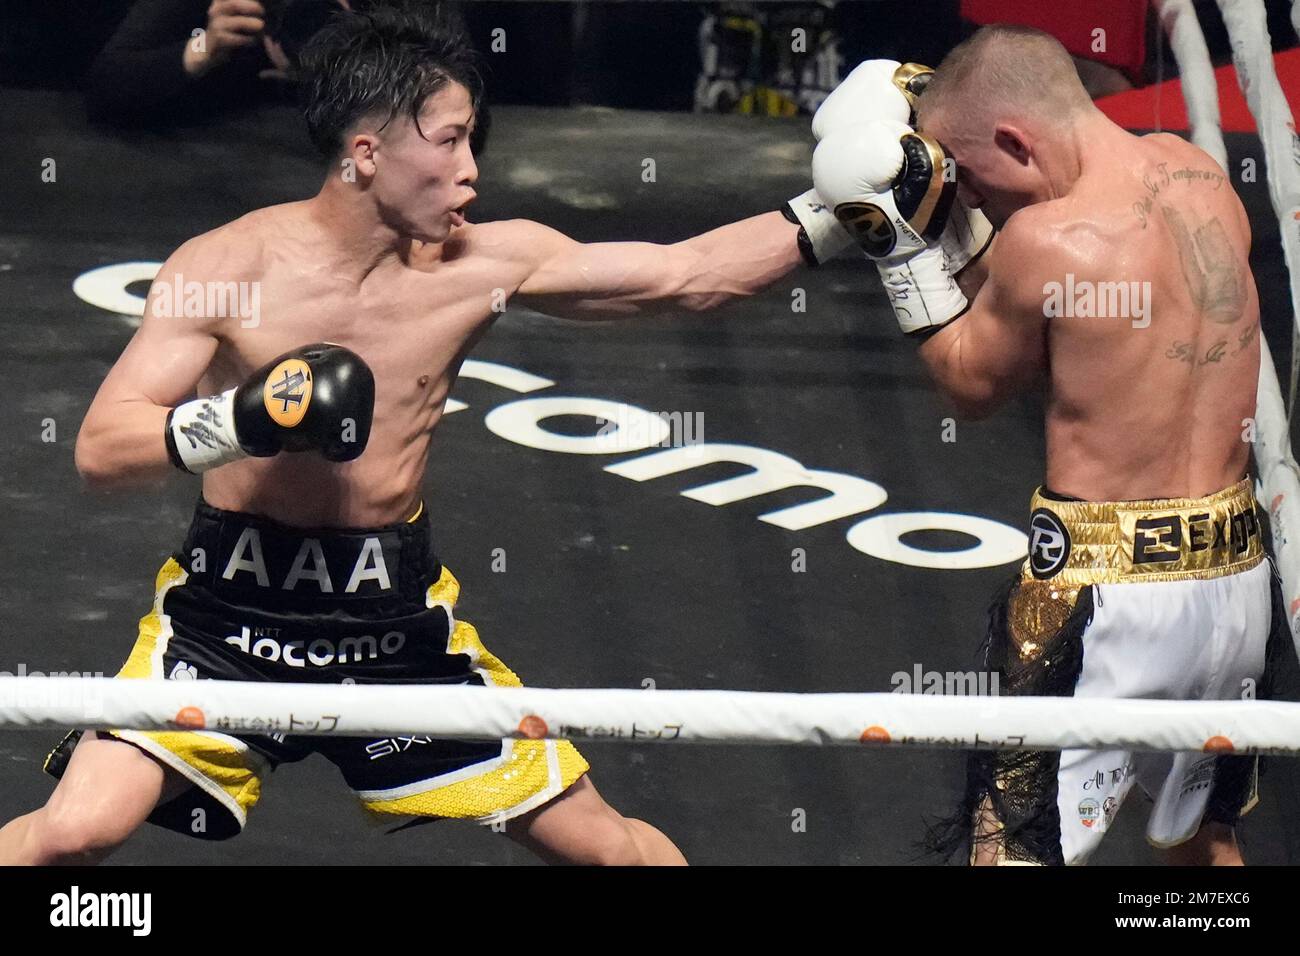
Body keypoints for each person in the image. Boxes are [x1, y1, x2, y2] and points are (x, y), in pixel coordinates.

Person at [0, 4, 871, 866]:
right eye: (449, 141)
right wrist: (245, 419)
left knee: (612, 854)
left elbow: (691, 276)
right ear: (367, 154)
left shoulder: (482, 265)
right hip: (224, 621)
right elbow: (102, 447)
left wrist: (850, 213)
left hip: (394, 626)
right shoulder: (227, 267)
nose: (471, 171)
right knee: (75, 831)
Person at [812, 25, 1288, 865]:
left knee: (1013, 839)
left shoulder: (1046, 243)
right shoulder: (1201, 176)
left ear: (1014, 141)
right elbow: (1097, 338)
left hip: (1104, 592)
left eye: (977, 179)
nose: (979, 201)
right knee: (1204, 839)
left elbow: (973, 382)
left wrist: (900, 244)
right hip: (1235, 580)